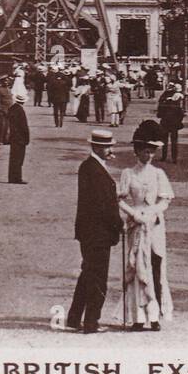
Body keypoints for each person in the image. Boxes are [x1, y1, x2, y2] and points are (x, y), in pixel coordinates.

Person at [118, 119, 174, 331]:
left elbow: (165, 200)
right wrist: (134, 213)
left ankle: (155, 315)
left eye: (152, 152)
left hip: (155, 225)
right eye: (145, 151)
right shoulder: (128, 174)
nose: (149, 156)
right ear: (137, 151)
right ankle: (138, 317)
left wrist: (151, 212)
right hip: (136, 224)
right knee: (136, 265)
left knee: (155, 265)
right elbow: (120, 199)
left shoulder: (158, 174)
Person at [67, 129, 122, 334]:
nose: (111, 150)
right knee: (98, 278)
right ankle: (91, 322)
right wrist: (118, 224)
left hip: (90, 231)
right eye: (108, 147)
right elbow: (103, 206)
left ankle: (74, 318)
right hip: (97, 233)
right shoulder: (93, 169)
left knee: (88, 274)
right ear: (97, 147)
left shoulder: (91, 166)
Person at [157, 83, 184, 163]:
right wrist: (179, 122)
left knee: (164, 140)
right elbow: (181, 114)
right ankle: (174, 158)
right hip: (174, 123)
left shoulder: (165, 98)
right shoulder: (177, 103)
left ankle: (164, 156)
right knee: (174, 141)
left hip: (165, 122)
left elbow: (160, 110)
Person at [6, 93, 30, 184]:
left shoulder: (12, 108)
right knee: (19, 159)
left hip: (13, 137)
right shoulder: (20, 110)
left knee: (13, 158)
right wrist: (27, 139)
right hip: (20, 138)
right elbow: (24, 126)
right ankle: (17, 178)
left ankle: (11, 177)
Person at [0, 76, 14, 144]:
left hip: (9, 110)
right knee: (2, 126)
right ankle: (0, 140)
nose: (6, 82)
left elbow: (11, 100)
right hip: (3, 111)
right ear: (2, 82)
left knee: (8, 126)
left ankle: (6, 140)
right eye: (4, 81)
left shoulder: (9, 89)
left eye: (7, 81)